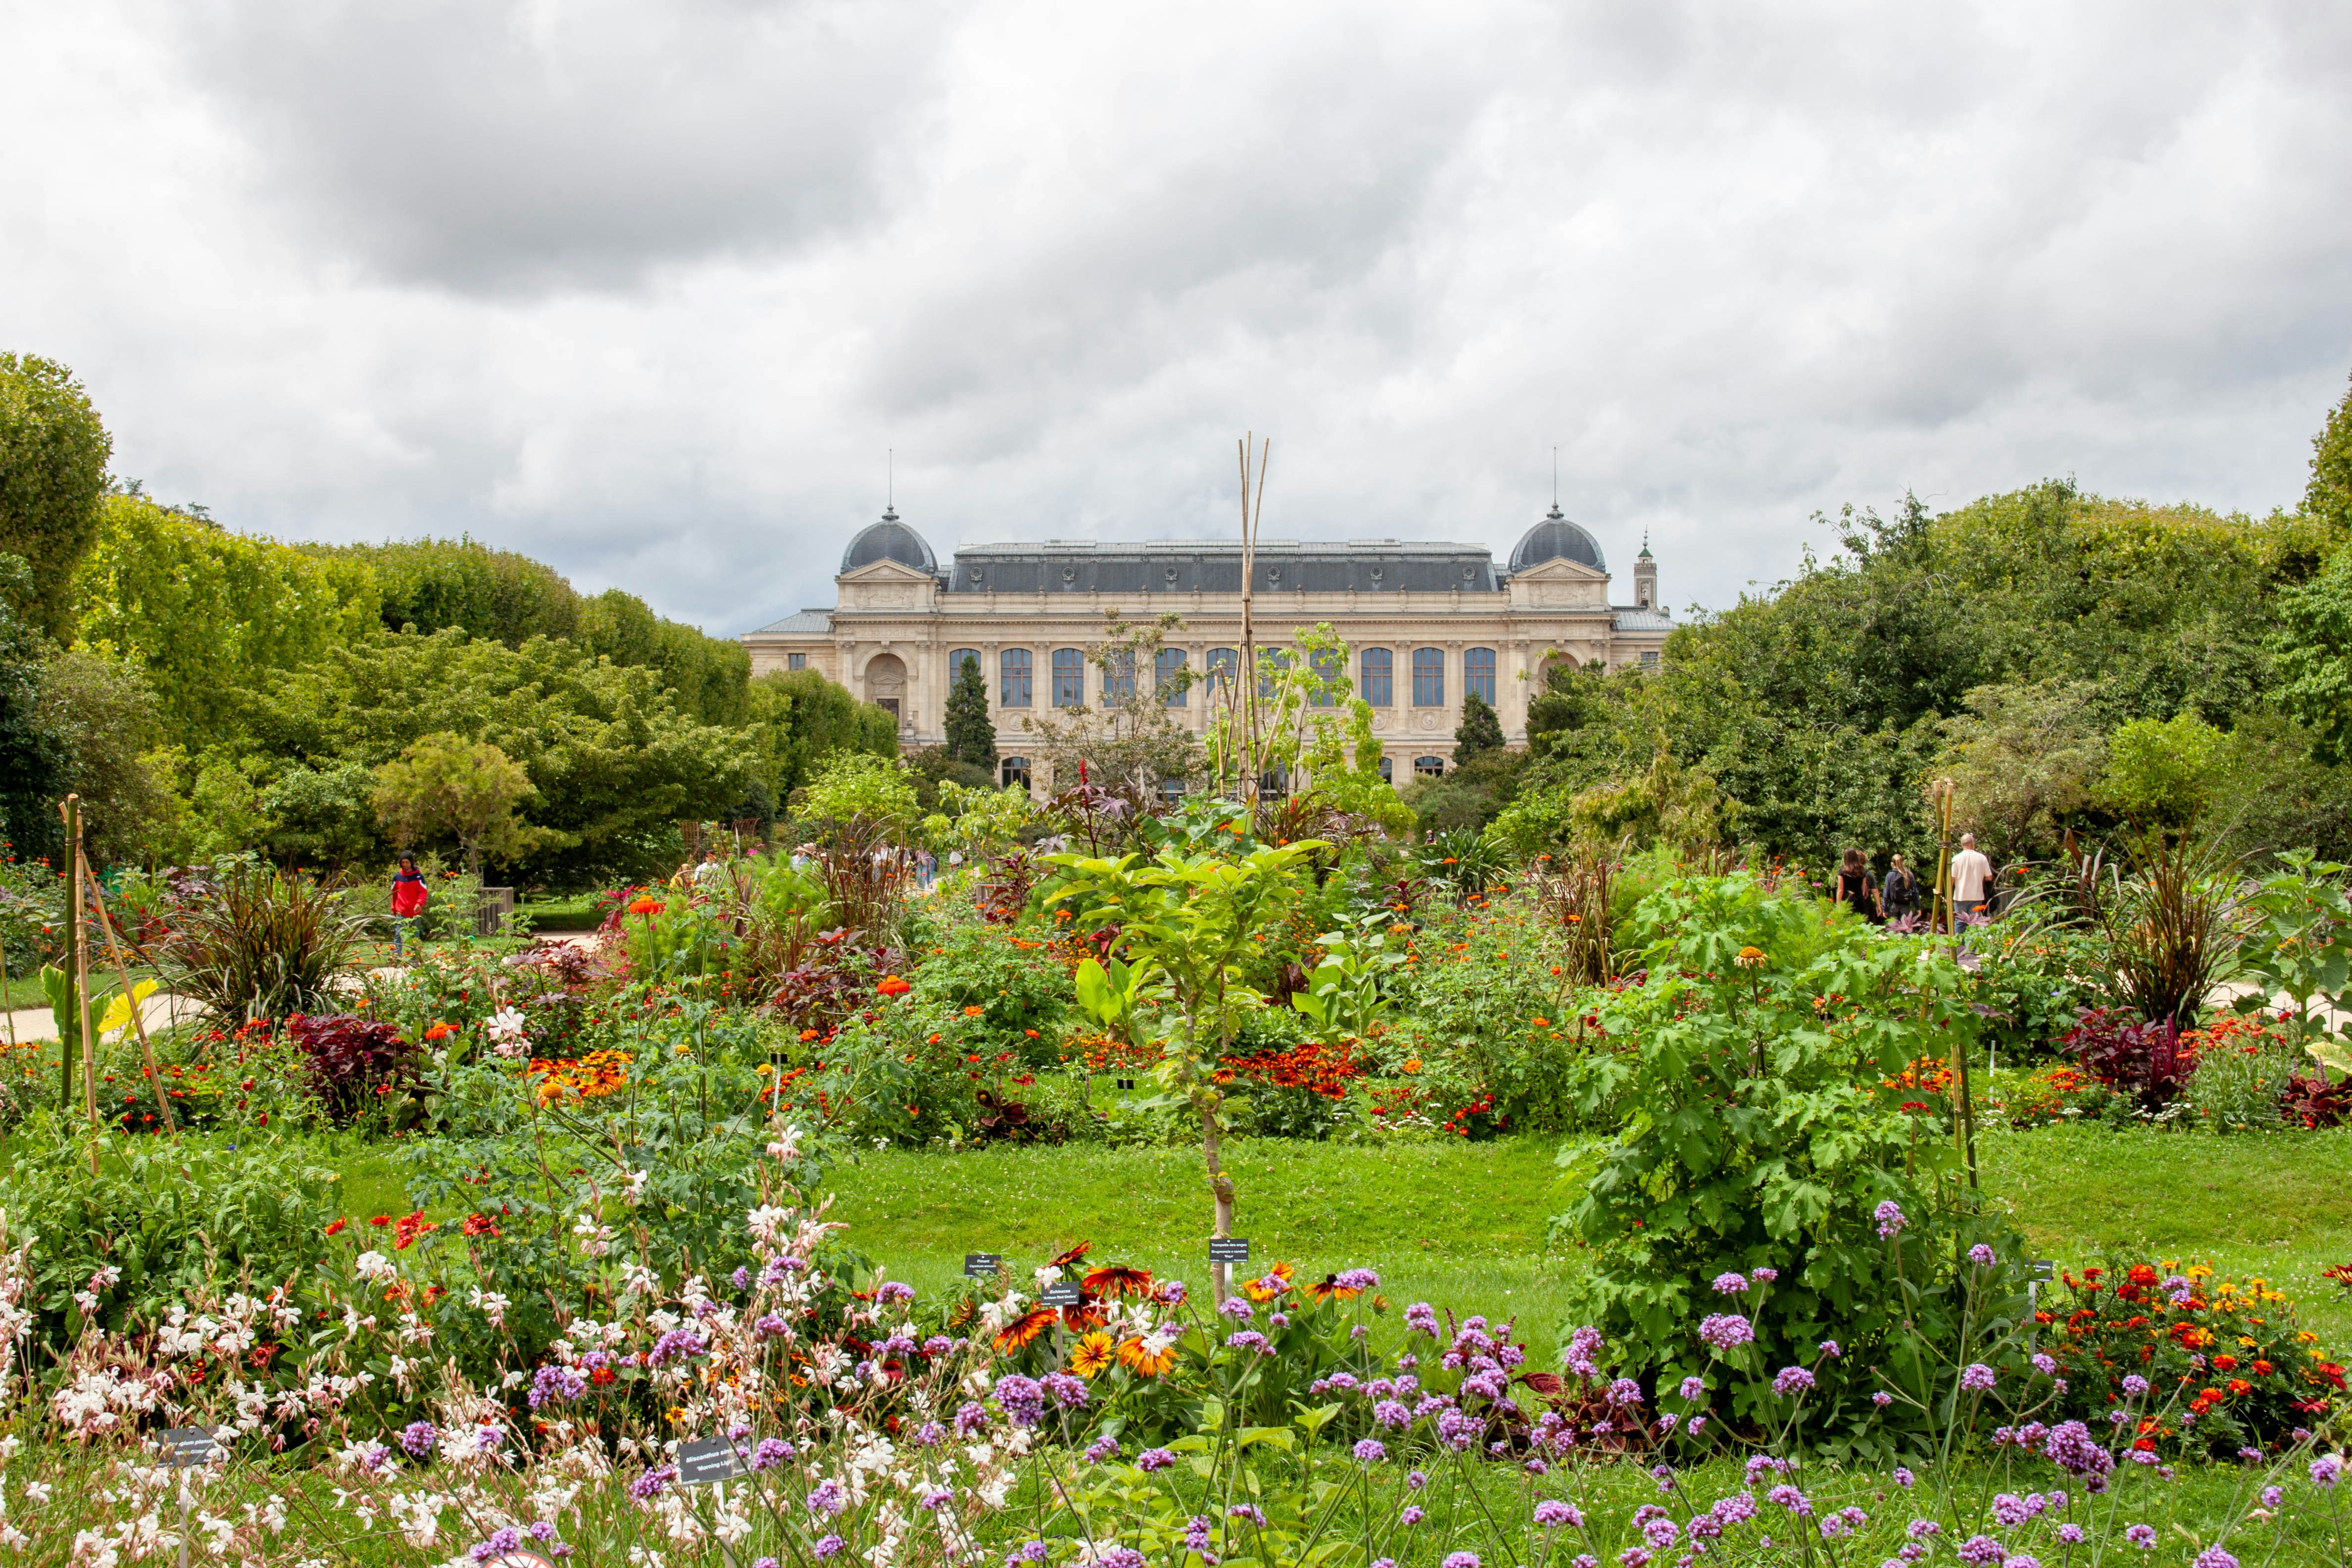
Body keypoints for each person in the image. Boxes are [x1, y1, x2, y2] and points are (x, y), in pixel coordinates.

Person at [389, 853, 430, 958]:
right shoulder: (397, 877)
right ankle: (396, 958)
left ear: (412, 862)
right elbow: (394, 894)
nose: (405, 864)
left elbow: (423, 892)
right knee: (398, 935)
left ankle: (415, 959)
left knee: (415, 936)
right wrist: (394, 908)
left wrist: (419, 904)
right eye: (403, 862)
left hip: (415, 912)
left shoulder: (419, 877)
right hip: (401, 911)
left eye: (407, 862)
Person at [1950, 833, 1994, 927]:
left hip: (1960, 896)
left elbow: (1952, 879)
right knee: (1975, 923)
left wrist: (1949, 895)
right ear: (1972, 843)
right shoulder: (1982, 858)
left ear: (1962, 845)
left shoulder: (1956, 859)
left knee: (1960, 922)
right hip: (1977, 896)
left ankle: (1959, 941)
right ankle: (1973, 941)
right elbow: (1989, 877)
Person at [1831, 847, 1881, 925]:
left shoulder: (1843, 871)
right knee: (1860, 924)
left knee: (1847, 924)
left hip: (1847, 901)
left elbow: (1840, 890)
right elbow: (1863, 889)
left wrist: (1838, 906)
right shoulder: (1862, 871)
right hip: (1859, 901)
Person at [1882, 852, 1919, 925]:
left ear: (1892, 864)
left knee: (1893, 930)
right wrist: (1918, 907)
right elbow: (1915, 892)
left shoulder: (1890, 875)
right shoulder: (1909, 875)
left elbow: (1886, 894)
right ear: (1903, 863)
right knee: (1905, 929)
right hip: (1906, 906)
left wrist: (1885, 909)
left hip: (1893, 906)